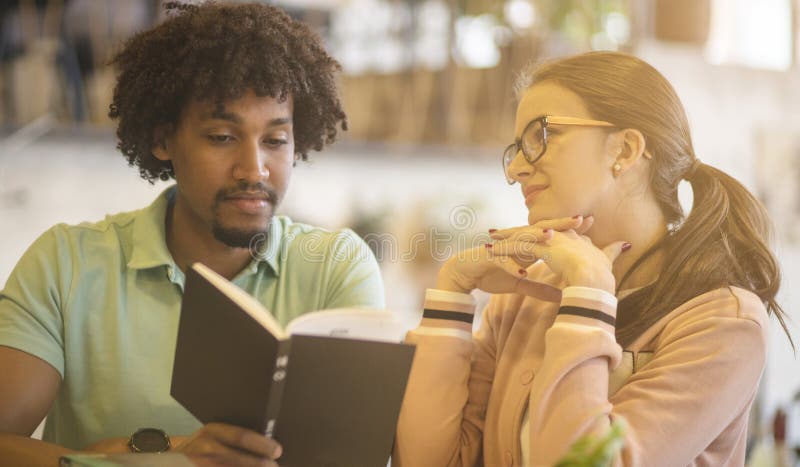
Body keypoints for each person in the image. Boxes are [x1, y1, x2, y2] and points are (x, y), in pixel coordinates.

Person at [0, 2, 384, 466]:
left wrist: (109, 455)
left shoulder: (336, 267)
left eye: (276, 140)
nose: (254, 168)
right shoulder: (67, 265)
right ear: (163, 140)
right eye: (222, 136)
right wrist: (172, 453)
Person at [393, 51, 793, 467]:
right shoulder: (526, 296)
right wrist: (451, 293)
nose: (514, 169)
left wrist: (588, 295)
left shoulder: (723, 322)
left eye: (540, 135)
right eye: (514, 149)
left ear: (625, 148)